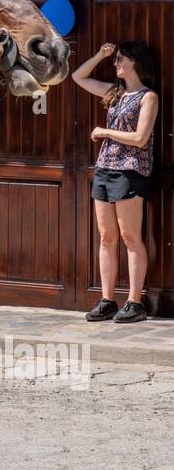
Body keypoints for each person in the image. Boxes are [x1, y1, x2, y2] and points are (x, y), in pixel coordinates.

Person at [73, 40, 159, 323]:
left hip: (130, 170)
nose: (116, 63)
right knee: (106, 237)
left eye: (120, 59)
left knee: (130, 237)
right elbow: (78, 77)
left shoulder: (148, 97)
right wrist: (100, 53)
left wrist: (106, 132)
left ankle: (135, 302)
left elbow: (140, 138)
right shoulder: (115, 93)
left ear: (135, 61)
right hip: (104, 169)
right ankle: (107, 299)